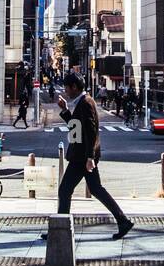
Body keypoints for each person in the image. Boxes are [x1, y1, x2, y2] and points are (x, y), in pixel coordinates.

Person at [55, 70, 132, 240]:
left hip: (82, 157)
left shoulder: (86, 103)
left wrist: (90, 157)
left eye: (67, 88)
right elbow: (76, 127)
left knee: (65, 190)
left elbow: (91, 131)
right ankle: (123, 221)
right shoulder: (82, 101)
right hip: (83, 155)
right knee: (95, 189)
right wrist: (65, 111)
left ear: (74, 87)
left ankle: (60, 230)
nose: (66, 92)